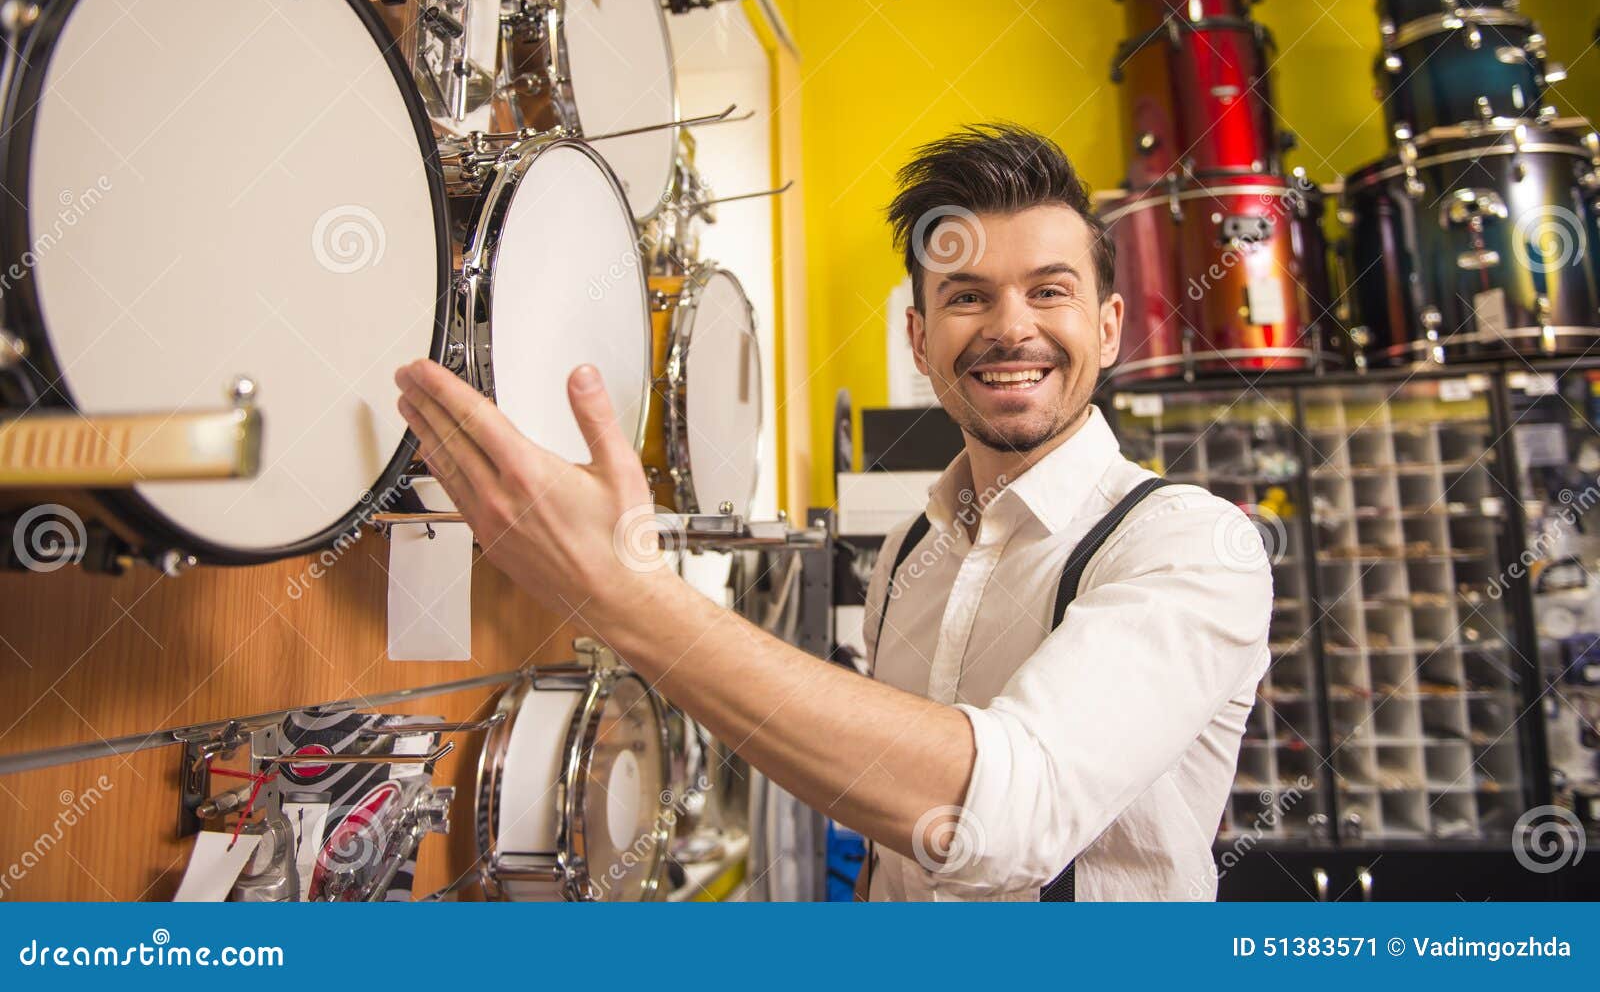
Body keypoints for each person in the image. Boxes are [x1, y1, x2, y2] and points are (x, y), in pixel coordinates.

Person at [393, 121, 1273, 901]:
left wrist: (629, 596)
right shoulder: (906, 552)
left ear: (1110, 327)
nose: (1012, 327)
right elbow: (890, 828)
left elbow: (1010, 819)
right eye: (967, 295)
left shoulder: (1191, 546)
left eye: (1050, 291)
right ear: (921, 341)